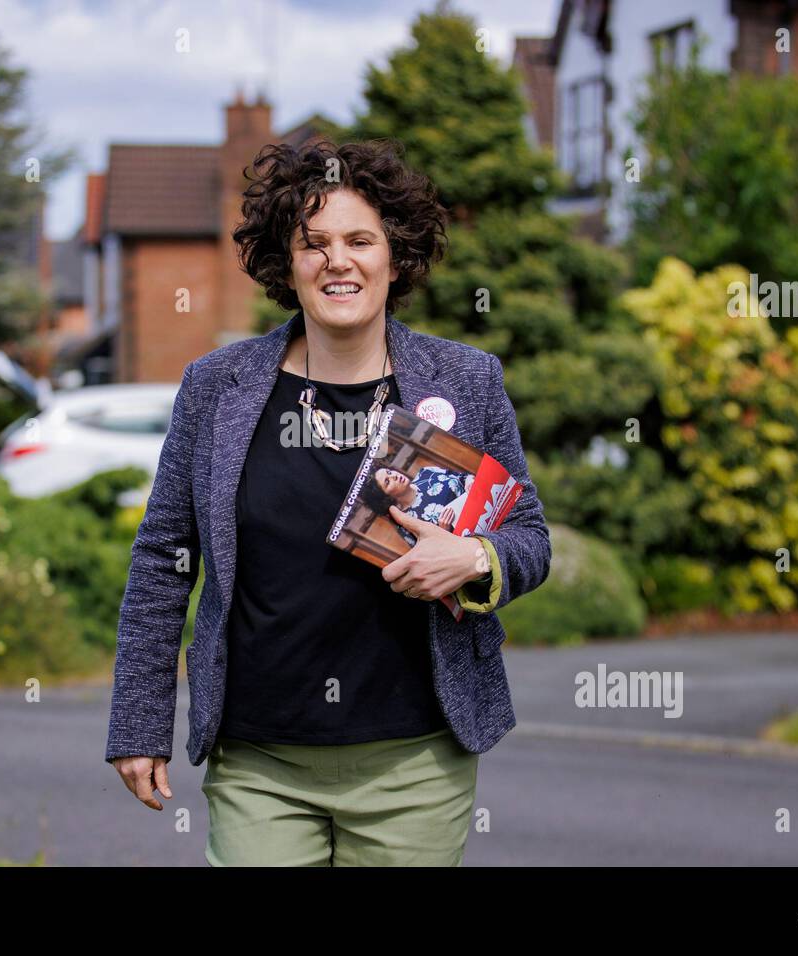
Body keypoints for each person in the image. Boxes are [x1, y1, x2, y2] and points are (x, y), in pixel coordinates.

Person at [105, 138, 552, 866]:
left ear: (395, 256)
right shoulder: (216, 387)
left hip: (416, 764)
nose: (337, 260)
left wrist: (474, 556)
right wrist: (139, 725)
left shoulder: (466, 382)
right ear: (288, 264)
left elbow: (529, 537)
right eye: (313, 243)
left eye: (359, 240)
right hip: (259, 762)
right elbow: (163, 559)